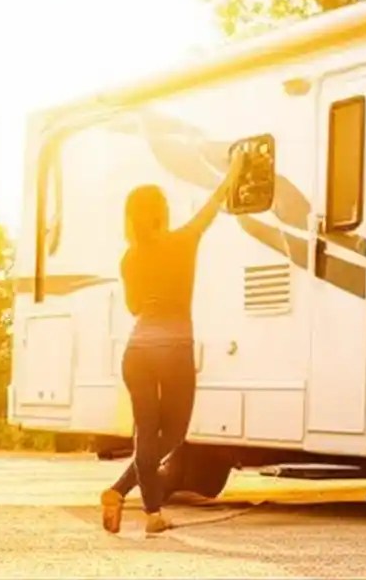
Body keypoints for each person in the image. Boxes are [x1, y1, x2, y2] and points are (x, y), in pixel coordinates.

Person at [101, 153, 244, 535]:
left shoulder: (130, 257)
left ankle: (151, 514)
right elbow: (212, 208)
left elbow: (134, 307)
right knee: (173, 434)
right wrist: (233, 172)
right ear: (161, 212)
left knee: (147, 434)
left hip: (138, 350)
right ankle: (120, 494)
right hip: (173, 347)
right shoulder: (183, 240)